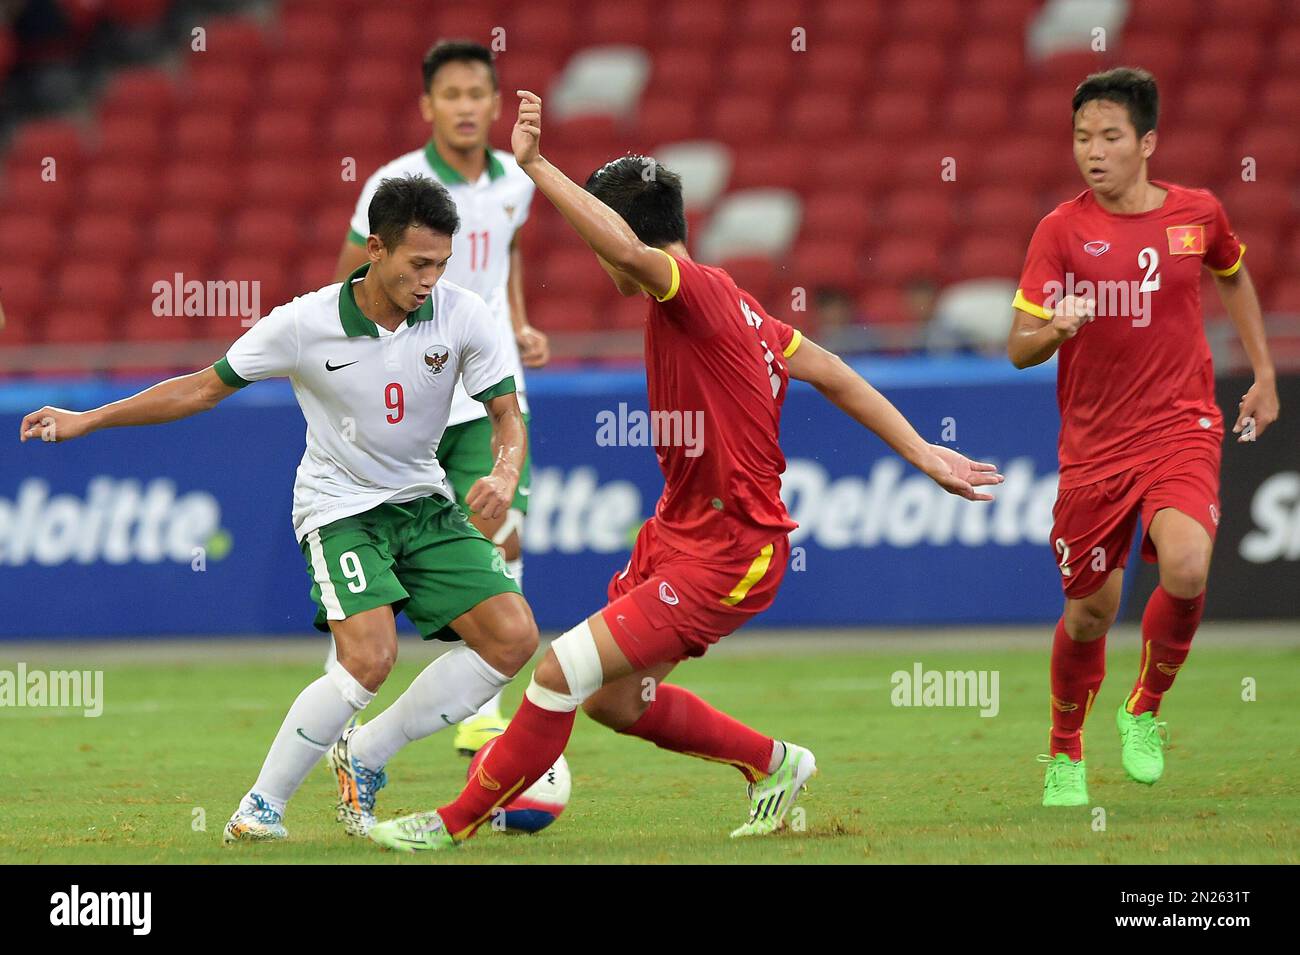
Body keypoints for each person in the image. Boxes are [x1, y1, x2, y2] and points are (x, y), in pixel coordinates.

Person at [366, 90, 1004, 852]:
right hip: (679, 530)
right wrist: (924, 451)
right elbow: (830, 370)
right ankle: (774, 765)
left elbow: (639, 256)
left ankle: (449, 823)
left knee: (556, 671)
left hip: (733, 548)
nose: (601, 263)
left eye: (602, 242)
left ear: (622, 237)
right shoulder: (734, 303)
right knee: (611, 700)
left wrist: (538, 167)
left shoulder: (689, 288)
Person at [19, 175, 540, 841]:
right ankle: (260, 806)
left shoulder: (463, 313)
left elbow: (505, 412)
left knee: (513, 636)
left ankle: (367, 752)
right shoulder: (304, 323)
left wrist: (505, 466)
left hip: (422, 500)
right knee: (370, 656)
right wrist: (89, 419)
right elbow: (201, 389)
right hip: (341, 508)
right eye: (418, 264)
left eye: (440, 264)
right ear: (374, 249)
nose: (430, 280)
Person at [1007, 68, 1279, 807]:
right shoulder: (1059, 230)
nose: (1092, 151)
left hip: (1180, 425)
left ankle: (1144, 709)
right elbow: (1017, 346)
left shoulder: (1197, 214)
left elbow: (1233, 274)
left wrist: (1262, 371)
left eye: (1109, 136)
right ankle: (1064, 748)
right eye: (1081, 137)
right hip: (1094, 449)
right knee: (1090, 612)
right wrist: (1053, 329)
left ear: (1147, 141)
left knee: (1187, 566)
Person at [333, 40, 547, 755]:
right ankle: (348, 677)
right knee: (400, 546)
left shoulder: (517, 180)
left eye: (476, 94)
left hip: (490, 385)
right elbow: (349, 282)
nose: (464, 106)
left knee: (497, 532)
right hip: (412, 396)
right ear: (427, 105)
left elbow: (507, 252)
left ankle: (483, 708)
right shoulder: (394, 185)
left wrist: (516, 322)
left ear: (493, 103)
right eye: (449, 94)